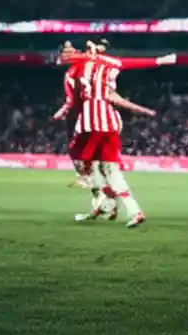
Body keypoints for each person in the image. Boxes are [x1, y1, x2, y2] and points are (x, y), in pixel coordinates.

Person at [53, 39, 173, 226]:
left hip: (89, 121)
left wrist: (58, 114)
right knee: (109, 169)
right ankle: (131, 210)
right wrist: (159, 61)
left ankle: (104, 202)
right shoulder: (111, 64)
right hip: (110, 120)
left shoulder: (77, 68)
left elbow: (69, 92)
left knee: (85, 165)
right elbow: (125, 74)